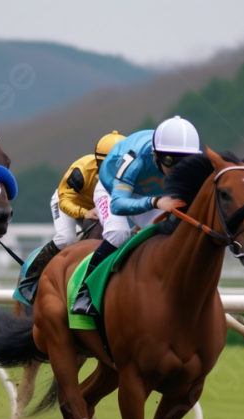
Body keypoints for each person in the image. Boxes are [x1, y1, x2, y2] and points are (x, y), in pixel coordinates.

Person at [70, 116, 202, 315]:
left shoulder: (188, 166)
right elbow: (118, 204)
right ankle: (85, 292)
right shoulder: (135, 157)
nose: (177, 170)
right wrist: (155, 202)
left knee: (171, 234)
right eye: (169, 161)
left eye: (185, 162)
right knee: (118, 233)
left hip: (151, 192)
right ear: (156, 155)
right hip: (113, 189)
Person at [19, 131, 125, 297]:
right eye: (110, 166)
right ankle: (31, 277)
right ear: (99, 162)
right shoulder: (82, 170)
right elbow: (65, 200)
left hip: (98, 208)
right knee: (66, 238)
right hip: (68, 203)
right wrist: (84, 212)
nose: (115, 172)